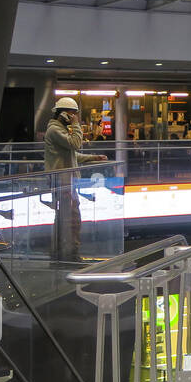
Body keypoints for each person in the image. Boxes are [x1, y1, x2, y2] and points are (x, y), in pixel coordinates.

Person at [44, 97, 107, 261]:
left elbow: (73, 154)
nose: (73, 117)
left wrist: (93, 157)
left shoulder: (59, 131)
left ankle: (63, 251)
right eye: (72, 114)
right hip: (62, 180)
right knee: (70, 218)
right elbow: (76, 144)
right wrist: (76, 124)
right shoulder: (55, 130)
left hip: (66, 180)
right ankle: (69, 253)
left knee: (66, 217)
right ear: (63, 114)